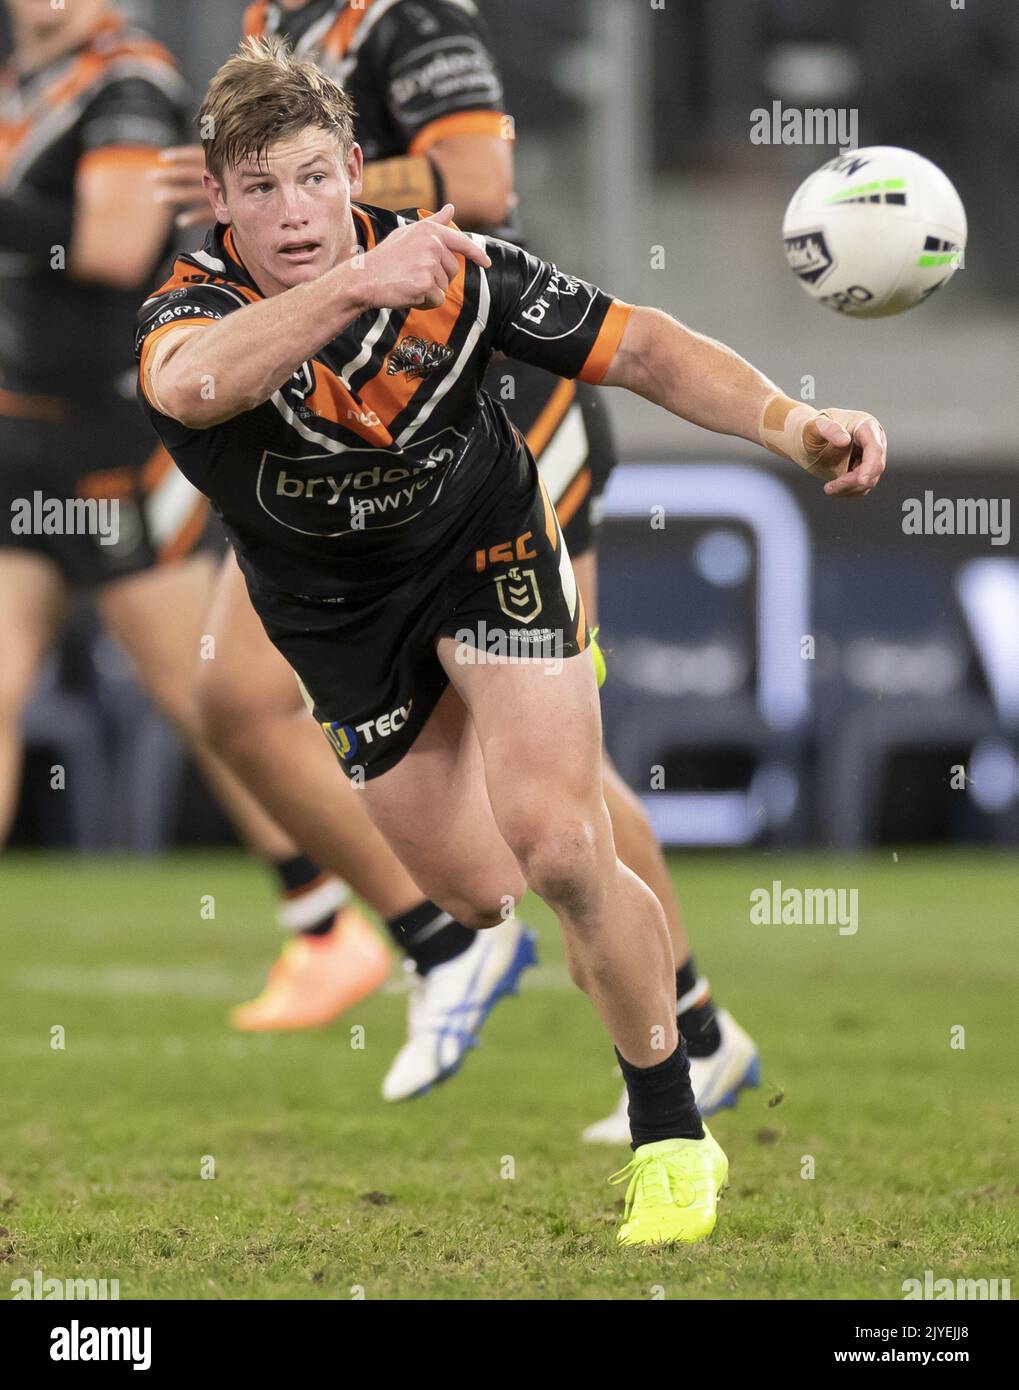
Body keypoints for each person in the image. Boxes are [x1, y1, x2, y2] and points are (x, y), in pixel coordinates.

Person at [135, 38, 886, 1244]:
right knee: (480, 894)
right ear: (215, 201)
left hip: (487, 550)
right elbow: (194, 390)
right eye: (260, 187)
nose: (292, 212)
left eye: (316, 179)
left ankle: (671, 1134)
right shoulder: (188, 308)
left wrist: (792, 422)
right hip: (338, 621)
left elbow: (637, 346)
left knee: (558, 842)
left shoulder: (454, 271)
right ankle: (555, 963)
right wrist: (353, 288)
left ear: (354, 175)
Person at [0, 0, 366, 968]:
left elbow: (113, 245)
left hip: (108, 445)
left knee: (213, 701)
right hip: (15, 436)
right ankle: (337, 929)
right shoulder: (17, 79)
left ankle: (347, 921)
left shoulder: (128, 82)